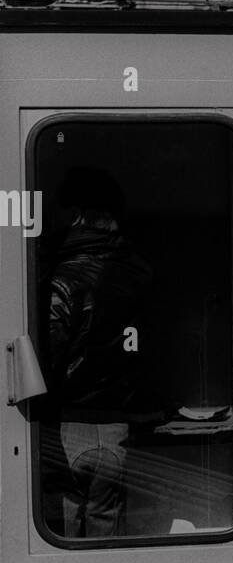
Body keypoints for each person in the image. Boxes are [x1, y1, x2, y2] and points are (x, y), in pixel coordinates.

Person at [41, 167, 155, 539]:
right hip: (117, 429)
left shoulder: (61, 278)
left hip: (65, 427)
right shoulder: (141, 272)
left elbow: (47, 360)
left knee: (61, 533)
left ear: (74, 215)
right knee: (106, 535)